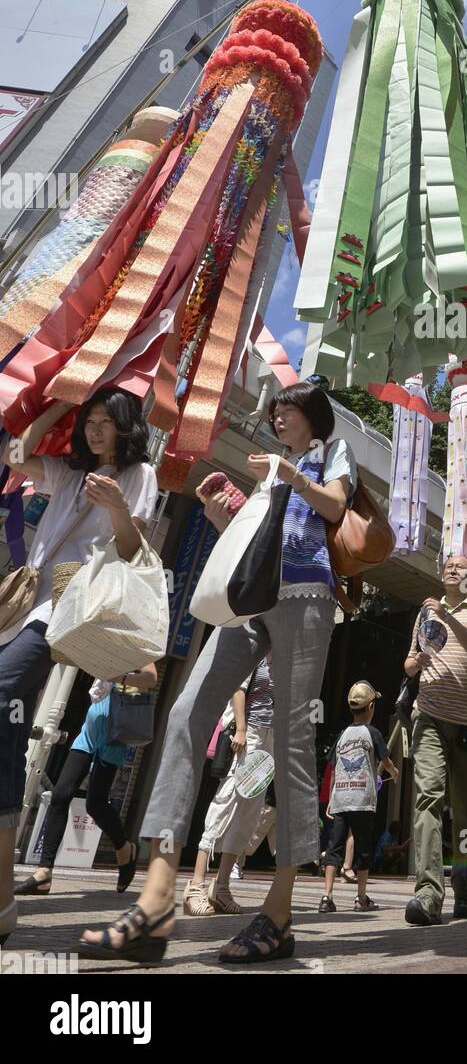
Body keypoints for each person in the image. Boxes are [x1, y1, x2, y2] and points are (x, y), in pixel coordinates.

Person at [77, 382, 356, 964]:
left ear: (311, 417)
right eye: (275, 412)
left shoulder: (332, 452)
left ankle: (279, 912)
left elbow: (332, 506)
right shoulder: (268, 472)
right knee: (185, 710)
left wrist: (291, 476)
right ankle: (157, 898)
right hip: (250, 598)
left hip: (306, 597)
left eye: (287, 411)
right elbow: (256, 541)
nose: (278, 419)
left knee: (291, 741)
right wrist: (222, 511)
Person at [0, 387, 158, 949]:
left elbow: (134, 548)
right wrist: (55, 398)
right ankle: (6, 892)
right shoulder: (67, 472)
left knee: (3, 698)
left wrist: (116, 505)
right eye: (87, 421)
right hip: (21, 606)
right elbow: (16, 456)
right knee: (11, 729)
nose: (94, 431)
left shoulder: (139, 475)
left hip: (68, 610)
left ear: (125, 426)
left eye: (105, 422)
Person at [15, 666, 158, 898]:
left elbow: (150, 678)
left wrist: (119, 676)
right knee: (61, 795)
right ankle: (43, 873)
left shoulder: (140, 645)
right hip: (89, 731)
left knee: (96, 804)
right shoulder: (104, 640)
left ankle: (124, 849)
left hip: (115, 733)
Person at [403, 555, 467, 926]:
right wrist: (417, 661)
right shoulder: (425, 615)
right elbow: (407, 664)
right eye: (447, 565)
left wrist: (447, 616)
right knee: (427, 798)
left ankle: (464, 883)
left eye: (460, 566)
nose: (451, 569)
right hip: (429, 715)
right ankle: (427, 892)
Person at [182, 658, 276, 917]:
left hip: (271, 739)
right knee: (226, 802)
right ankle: (196, 885)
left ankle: (221, 887)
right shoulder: (257, 654)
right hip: (250, 735)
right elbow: (238, 688)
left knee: (249, 813)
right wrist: (242, 729)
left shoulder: (288, 656)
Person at [319, 681, 397, 913]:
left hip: (341, 800)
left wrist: (332, 798)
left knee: (334, 848)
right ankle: (361, 898)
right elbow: (385, 760)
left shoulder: (343, 735)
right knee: (363, 849)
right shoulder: (372, 733)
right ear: (371, 706)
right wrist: (394, 772)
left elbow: (333, 768)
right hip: (362, 800)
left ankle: (327, 896)